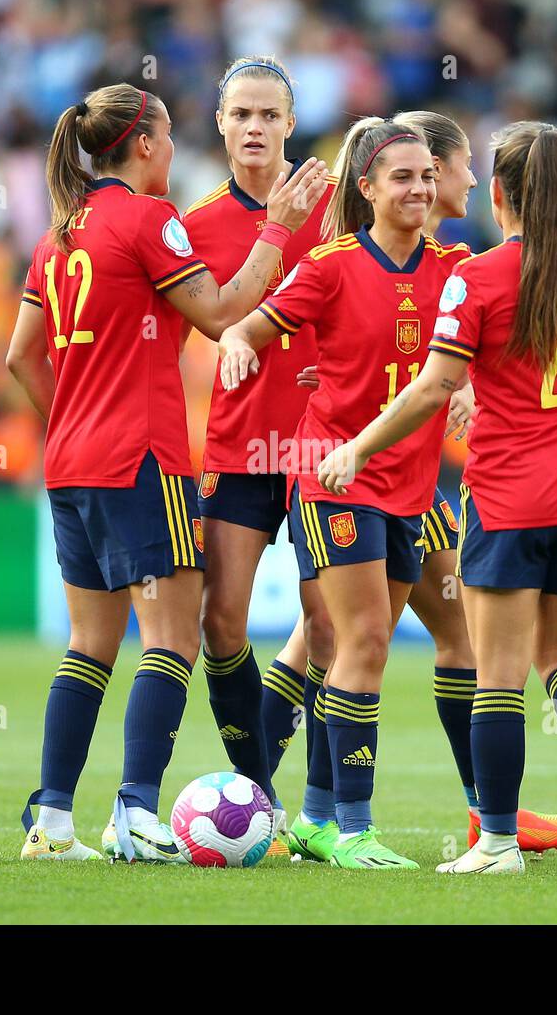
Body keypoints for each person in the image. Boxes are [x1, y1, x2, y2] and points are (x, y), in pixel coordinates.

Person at [5, 82, 327, 863]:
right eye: (174, 135)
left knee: (89, 644)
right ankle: (137, 810)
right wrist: (278, 229)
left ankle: (51, 821)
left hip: (72, 465)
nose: (178, 149)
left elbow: (19, 355)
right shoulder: (150, 220)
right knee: (175, 636)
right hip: (142, 460)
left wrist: (75, 424)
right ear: (145, 143)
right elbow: (222, 312)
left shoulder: (60, 235)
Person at [314, 120, 557, 875]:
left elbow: (434, 388)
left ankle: (497, 841)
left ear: (498, 194)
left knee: (498, 674)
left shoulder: (480, 276)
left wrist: (358, 446)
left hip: (512, 497)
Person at [218, 118, 470, 869]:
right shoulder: (328, 267)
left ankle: (317, 817)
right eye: (403, 177)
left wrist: (470, 391)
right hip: (333, 478)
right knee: (358, 642)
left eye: (428, 175)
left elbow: (472, 349)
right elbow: (247, 329)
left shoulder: (455, 268)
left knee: (363, 648)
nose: (421, 188)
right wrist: (234, 350)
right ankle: (352, 826)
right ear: (366, 188)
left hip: (411, 488)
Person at [180, 58, 337, 843]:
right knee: (222, 624)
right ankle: (258, 791)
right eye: (240, 113)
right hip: (240, 447)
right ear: (219, 122)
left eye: (269, 115)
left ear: (290, 124)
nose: (253, 127)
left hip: (322, 445)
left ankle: (323, 810)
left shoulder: (337, 207)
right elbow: (209, 323)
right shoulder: (196, 223)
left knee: (329, 623)